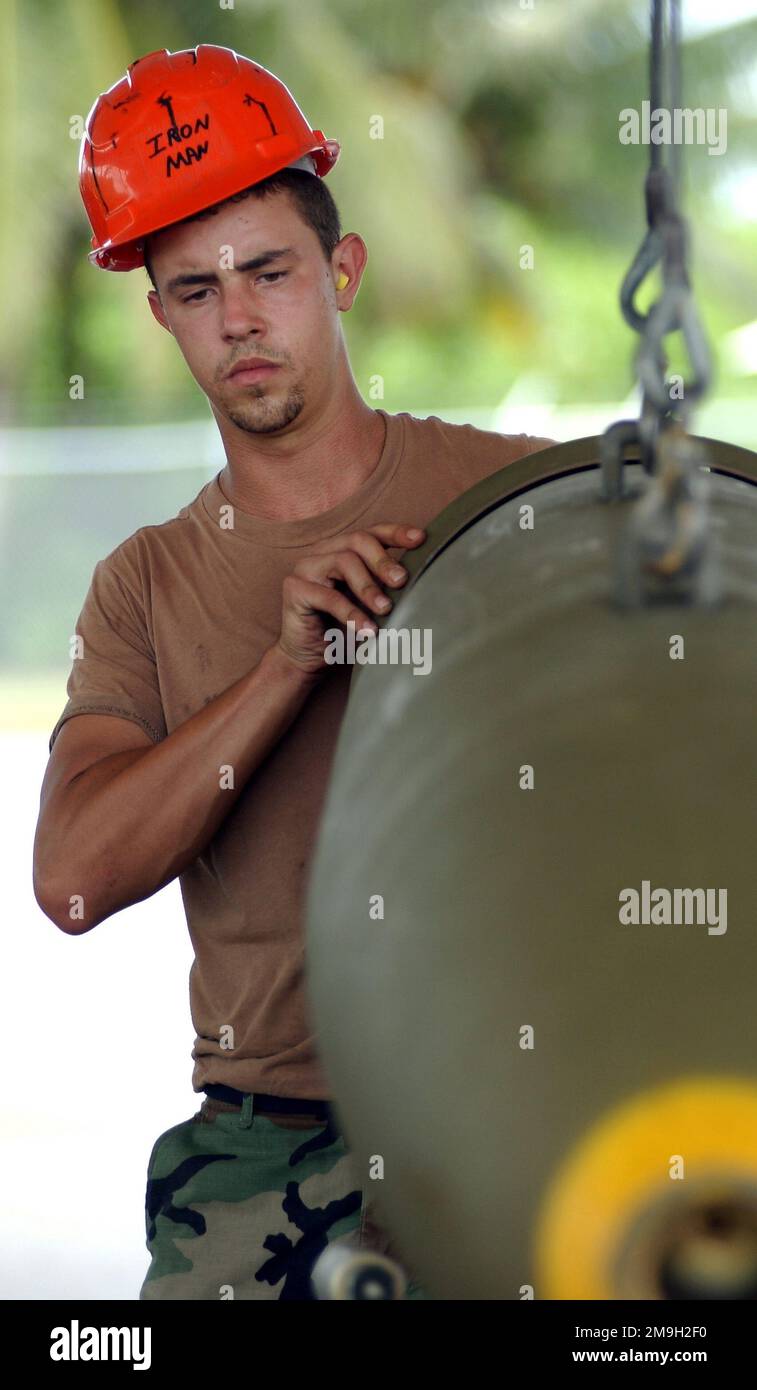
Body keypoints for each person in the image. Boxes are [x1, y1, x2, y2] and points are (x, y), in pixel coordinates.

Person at [32, 44, 556, 1301]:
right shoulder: (146, 584)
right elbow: (71, 882)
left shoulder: (520, 499)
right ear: (158, 311)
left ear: (342, 269)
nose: (240, 320)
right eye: (196, 288)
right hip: (267, 1151)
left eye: (269, 271)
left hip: (525, 1107)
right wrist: (284, 667)